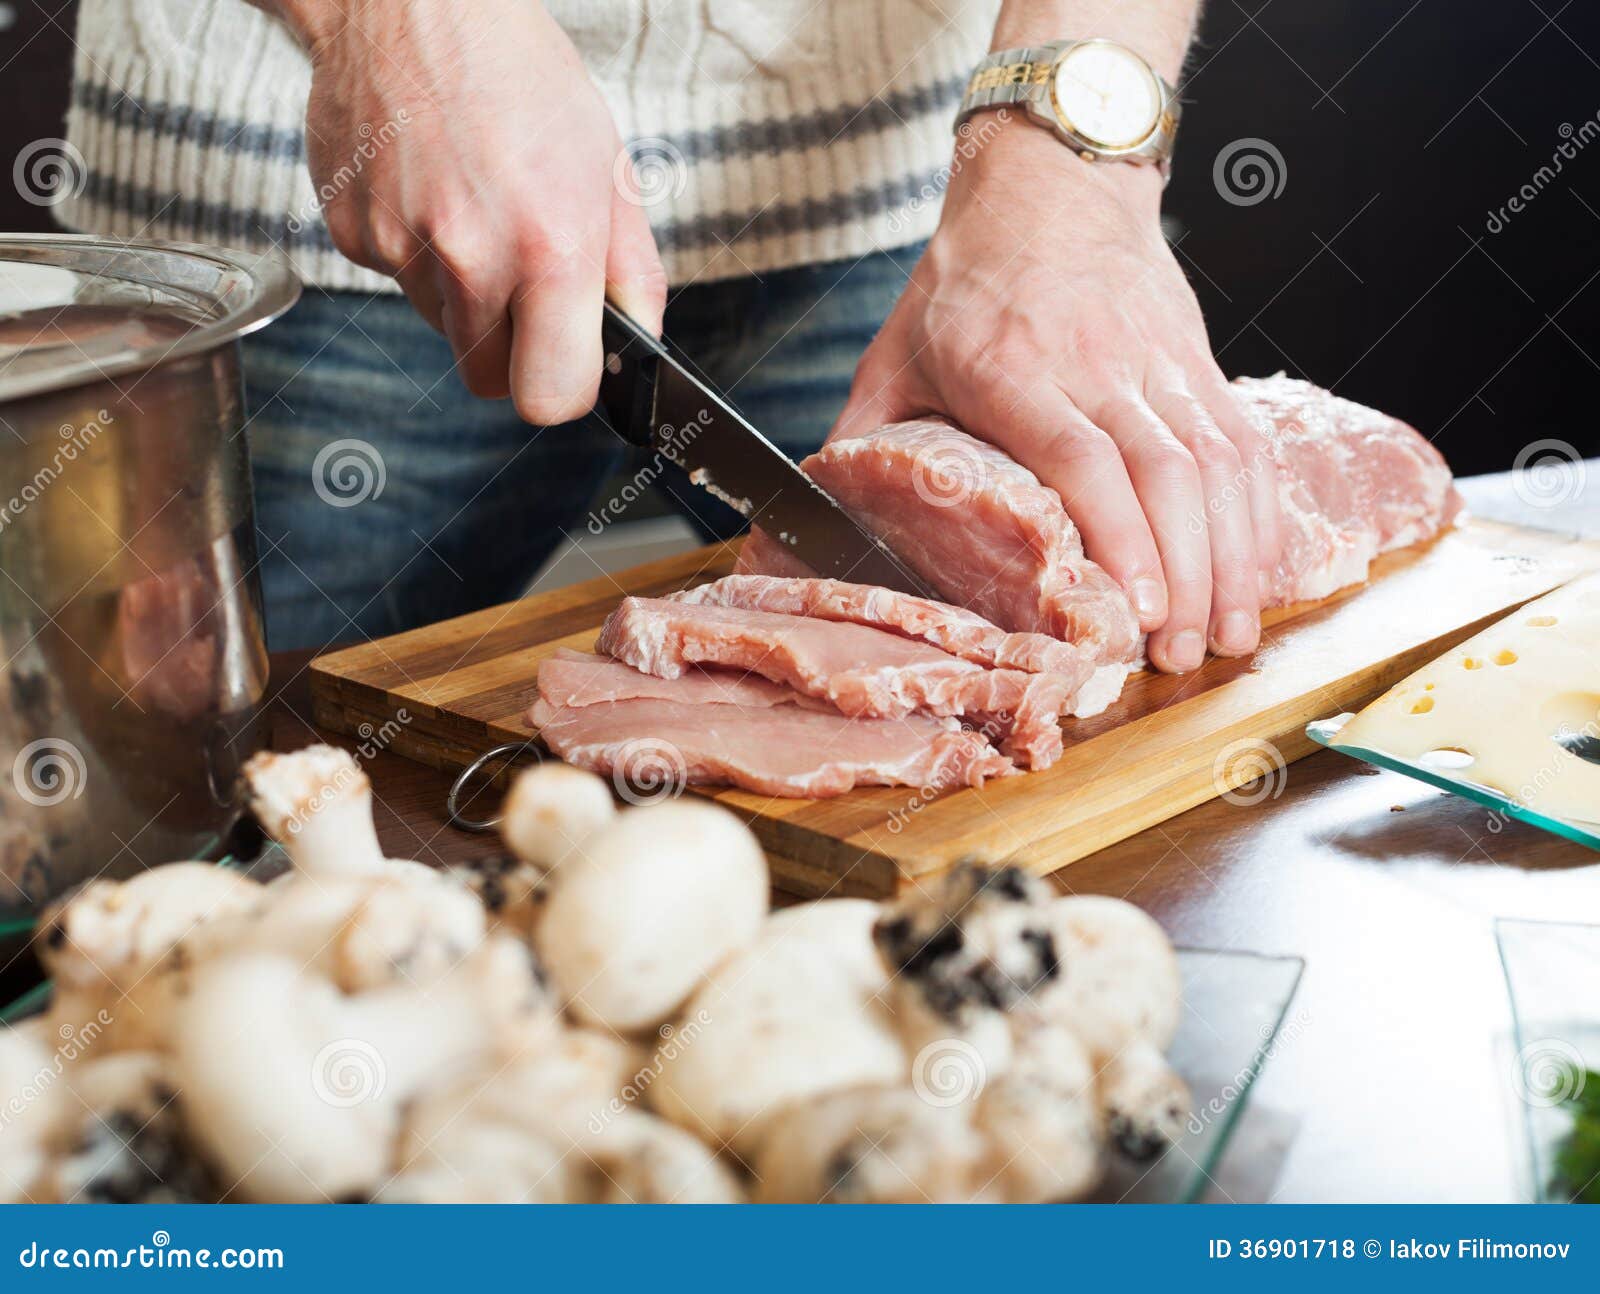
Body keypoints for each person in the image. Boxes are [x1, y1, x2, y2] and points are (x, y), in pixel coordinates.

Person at [62, 0, 1278, 670]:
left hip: (919, 206)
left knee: (1028, 762)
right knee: (181, 829)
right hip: (309, 213)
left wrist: (1063, 167)